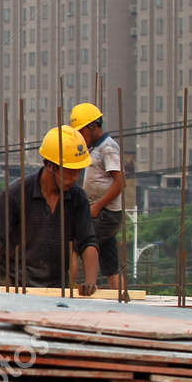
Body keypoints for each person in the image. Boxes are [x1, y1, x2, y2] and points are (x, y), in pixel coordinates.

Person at [0, 125, 99, 295]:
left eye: (78, 172)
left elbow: (88, 242)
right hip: (12, 287)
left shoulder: (77, 199)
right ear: (50, 166)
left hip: (54, 289)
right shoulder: (16, 194)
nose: (75, 178)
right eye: (70, 172)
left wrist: (90, 281)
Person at [71, 101, 127, 299]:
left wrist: (98, 207)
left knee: (77, 244)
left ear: (93, 127)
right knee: (109, 257)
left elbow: (120, 183)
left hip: (106, 214)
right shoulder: (94, 147)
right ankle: (120, 295)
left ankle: (72, 288)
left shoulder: (108, 148)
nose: (80, 137)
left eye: (82, 131)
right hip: (99, 211)